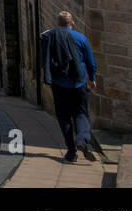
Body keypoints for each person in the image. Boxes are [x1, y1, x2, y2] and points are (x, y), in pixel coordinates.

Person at [40, 11, 98, 163]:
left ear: (57, 23)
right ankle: (82, 140)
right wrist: (92, 78)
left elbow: (44, 59)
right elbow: (91, 62)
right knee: (81, 113)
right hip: (79, 83)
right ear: (72, 23)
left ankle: (71, 152)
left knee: (64, 117)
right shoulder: (81, 38)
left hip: (59, 84)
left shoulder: (50, 37)